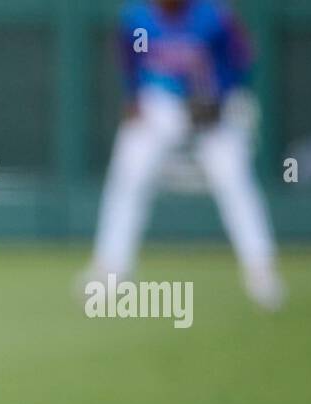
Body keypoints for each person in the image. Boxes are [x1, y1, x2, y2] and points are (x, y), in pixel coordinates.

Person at [85, 0, 284, 310]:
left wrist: (223, 94)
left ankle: (260, 268)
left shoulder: (213, 16)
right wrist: (132, 95)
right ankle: (111, 267)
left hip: (211, 109)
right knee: (129, 174)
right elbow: (128, 56)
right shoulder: (138, 16)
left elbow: (243, 56)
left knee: (234, 180)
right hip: (160, 103)